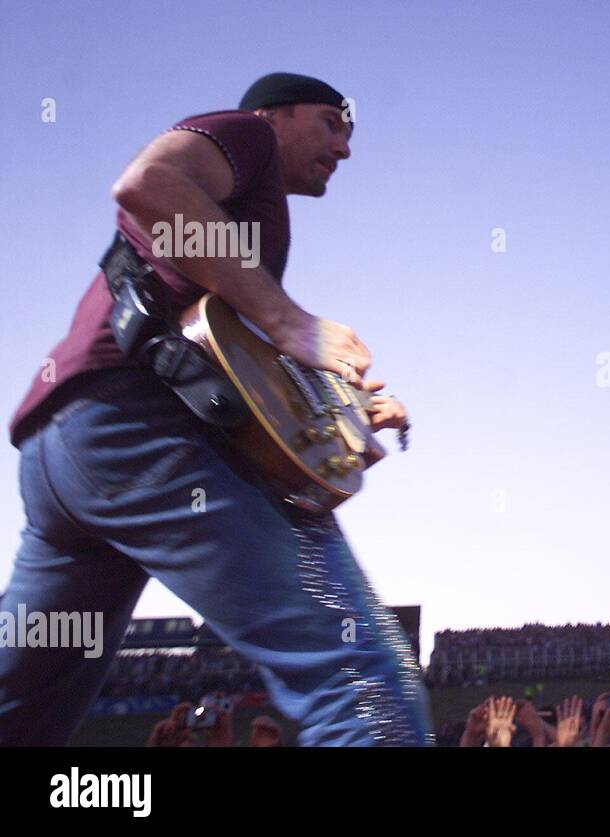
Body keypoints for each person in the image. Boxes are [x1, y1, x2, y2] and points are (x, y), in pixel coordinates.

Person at [0, 73, 430, 745]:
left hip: (71, 450)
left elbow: (231, 353)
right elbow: (150, 183)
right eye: (331, 123)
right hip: (144, 428)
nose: (345, 147)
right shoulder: (248, 135)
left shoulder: (238, 247)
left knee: (19, 715)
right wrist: (291, 321)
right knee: (367, 688)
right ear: (275, 114)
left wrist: (349, 409)